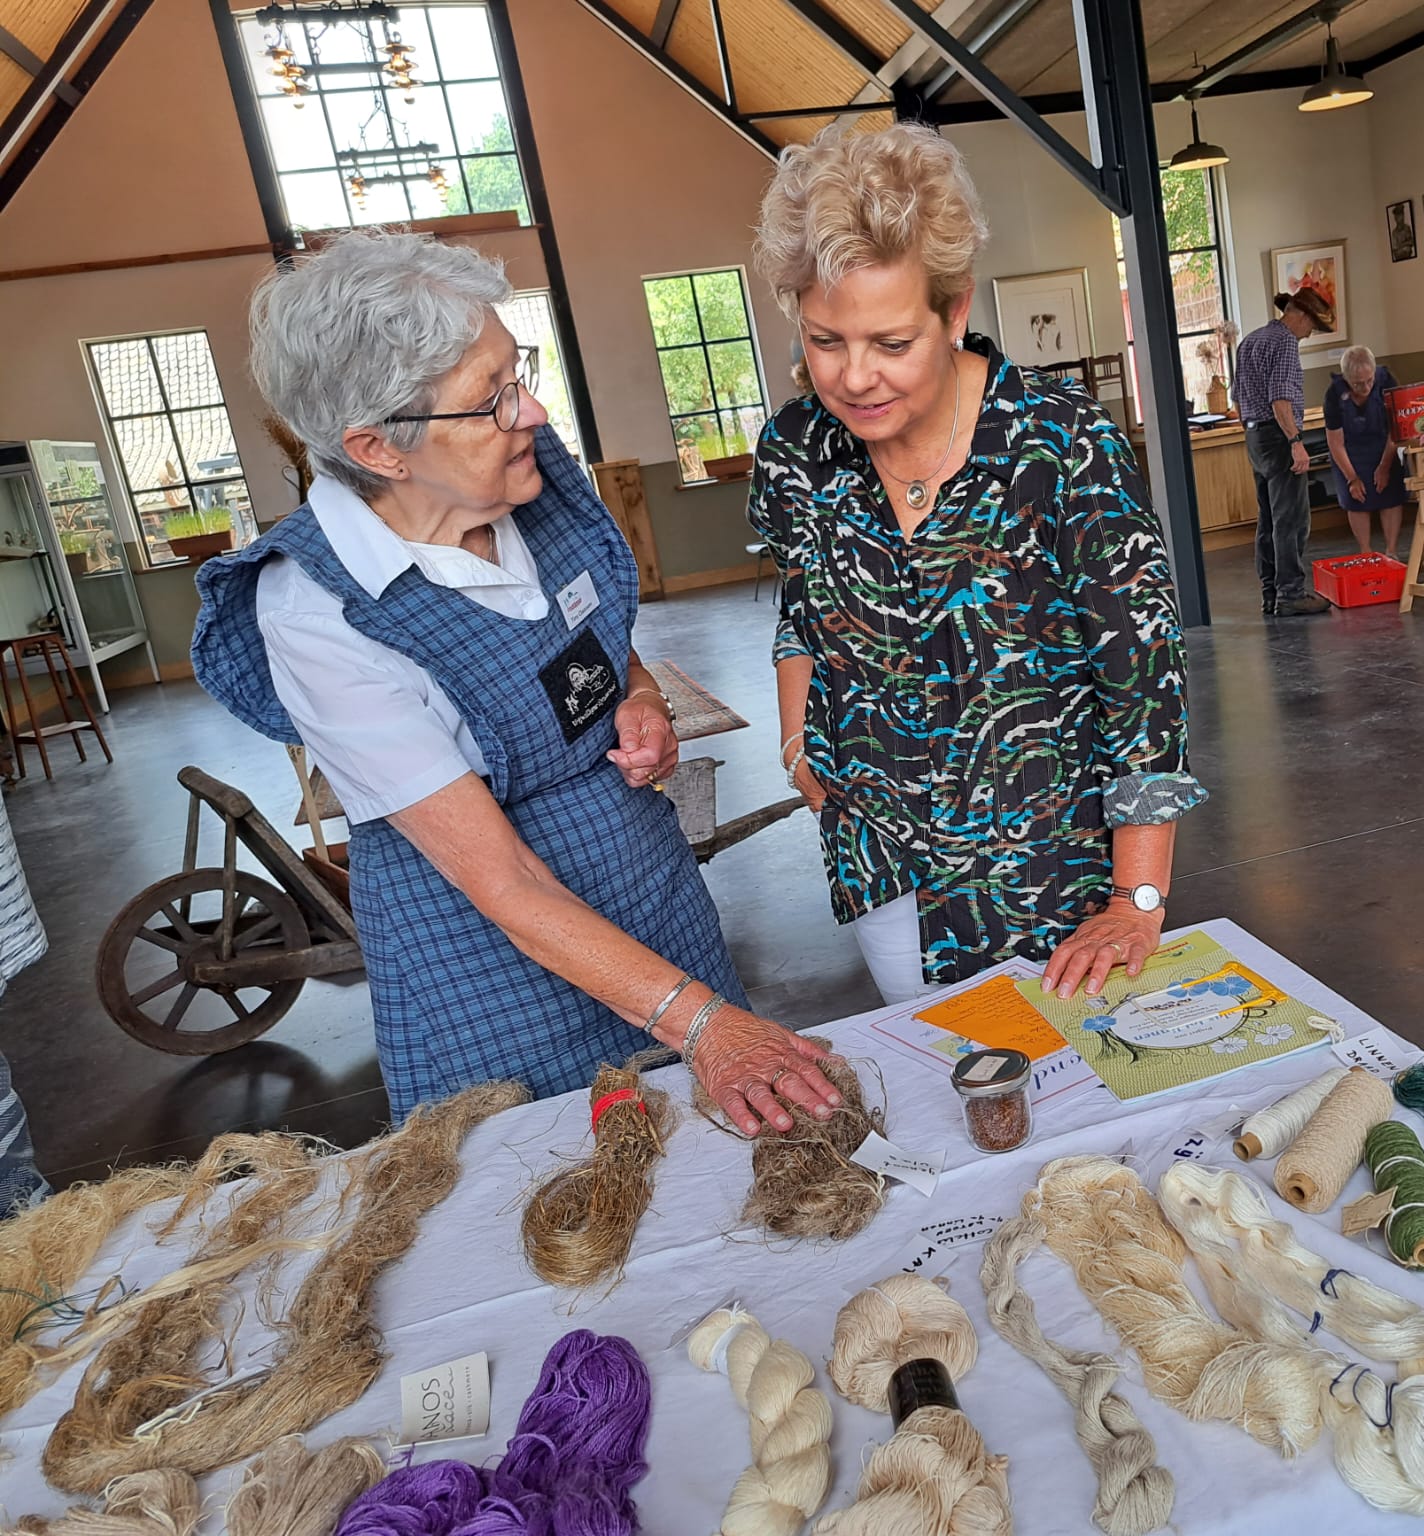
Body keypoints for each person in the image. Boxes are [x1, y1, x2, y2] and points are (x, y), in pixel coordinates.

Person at [190, 232, 839, 1138]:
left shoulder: (518, 478)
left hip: (645, 890)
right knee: (563, 1189)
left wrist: (639, 698)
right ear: (378, 448)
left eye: (516, 370)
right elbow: (504, 881)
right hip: (489, 956)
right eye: (489, 399)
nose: (530, 410)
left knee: (711, 1154)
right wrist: (707, 1027)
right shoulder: (320, 612)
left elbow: (600, 646)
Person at [748, 123, 1207, 1007]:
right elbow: (801, 607)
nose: (853, 378)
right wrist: (798, 742)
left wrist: (1136, 897)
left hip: (1057, 884)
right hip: (884, 868)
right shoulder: (795, 452)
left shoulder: (1062, 445)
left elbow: (1145, 686)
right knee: (951, 1092)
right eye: (824, 340)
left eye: (891, 343)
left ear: (953, 312)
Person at [1234, 289, 1336, 616]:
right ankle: (1291, 594)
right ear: (1302, 315)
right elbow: (1281, 400)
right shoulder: (1285, 343)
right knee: (1291, 519)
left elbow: (1238, 397)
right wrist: (1295, 442)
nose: (1309, 334)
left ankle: (1270, 593)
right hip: (1278, 437)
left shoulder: (1250, 340)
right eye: (1313, 326)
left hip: (1254, 436)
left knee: (1268, 519)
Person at [1324, 345, 1410, 557]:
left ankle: (1391, 552)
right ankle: (1366, 553)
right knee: (1357, 499)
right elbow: (1335, 442)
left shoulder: (1387, 381)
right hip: (1350, 452)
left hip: (1384, 444)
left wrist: (1384, 466)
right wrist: (1352, 478)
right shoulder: (1334, 395)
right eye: (1357, 384)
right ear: (1346, 378)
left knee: (1390, 496)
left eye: (1369, 380)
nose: (1365, 387)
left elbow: (1396, 429)